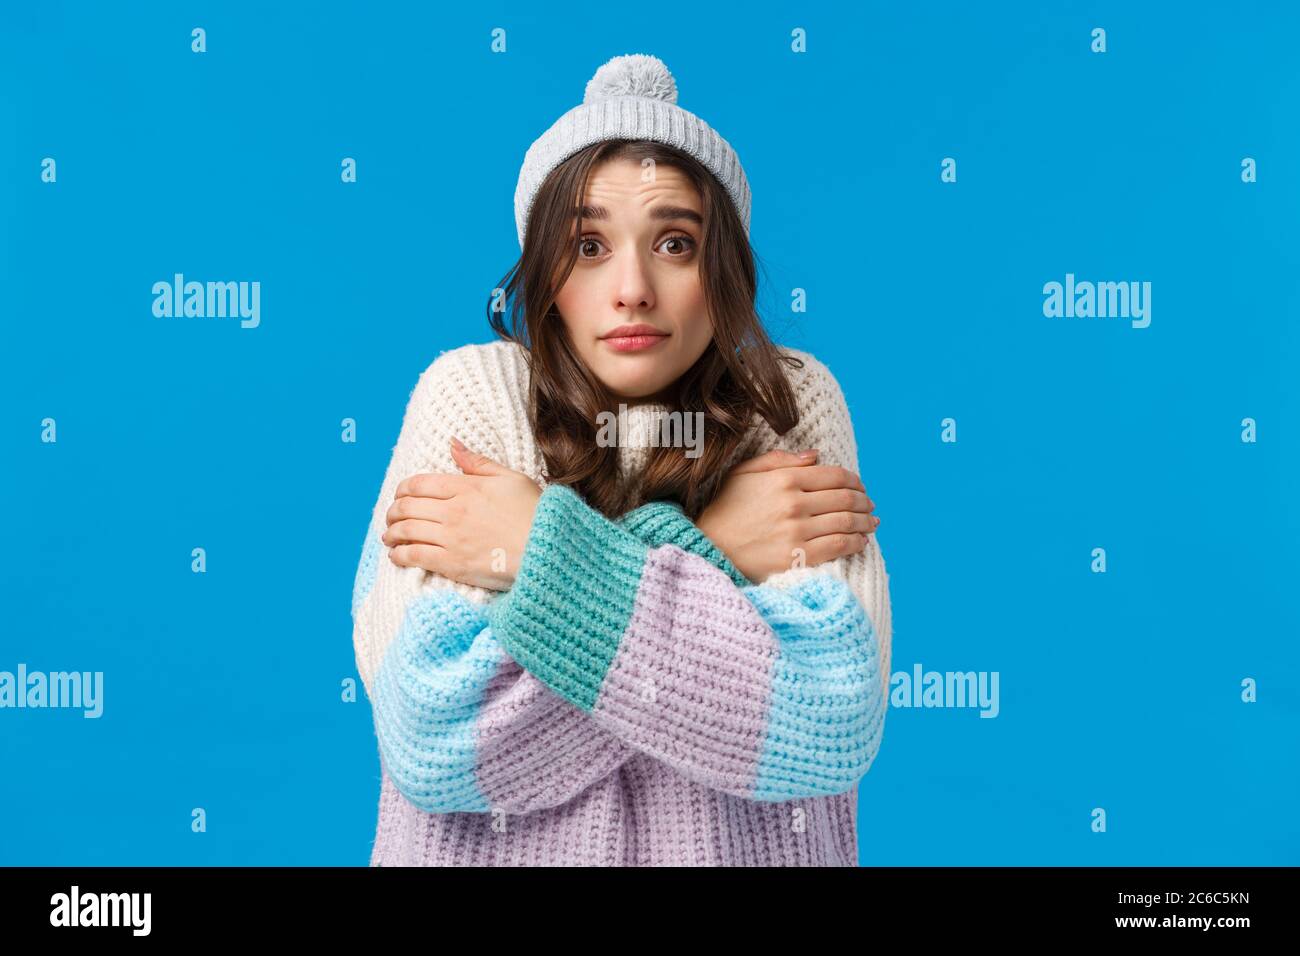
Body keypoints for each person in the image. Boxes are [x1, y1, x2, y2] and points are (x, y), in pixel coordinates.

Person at [351, 53, 892, 866]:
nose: (633, 287)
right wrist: (713, 546)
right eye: (590, 245)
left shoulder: (789, 402)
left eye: (675, 242)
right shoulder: (471, 396)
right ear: (547, 275)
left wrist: (535, 545)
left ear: (722, 271)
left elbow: (828, 717)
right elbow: (440, 733)